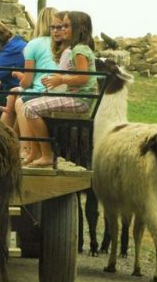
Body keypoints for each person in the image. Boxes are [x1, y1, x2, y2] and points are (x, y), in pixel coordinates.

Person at [17, 10, 99, 167]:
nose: (62, 29)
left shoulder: (80, 51)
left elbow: (83, 78)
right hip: (74, 97)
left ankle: (47, 155)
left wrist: (60, 79)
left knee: (30, 109)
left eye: (66, 26)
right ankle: (35, 152)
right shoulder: (78, 49)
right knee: (28, 106)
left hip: (80, 100)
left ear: (78, 28)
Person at [0, 7, 61, 156]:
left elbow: (28, 82)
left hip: (41, 90)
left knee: (17, 98)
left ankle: (21, 147)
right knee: (14, 95)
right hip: (56, 88)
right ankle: (11, 144)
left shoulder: (33, 45)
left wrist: (21, 80)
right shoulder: (62, 45)